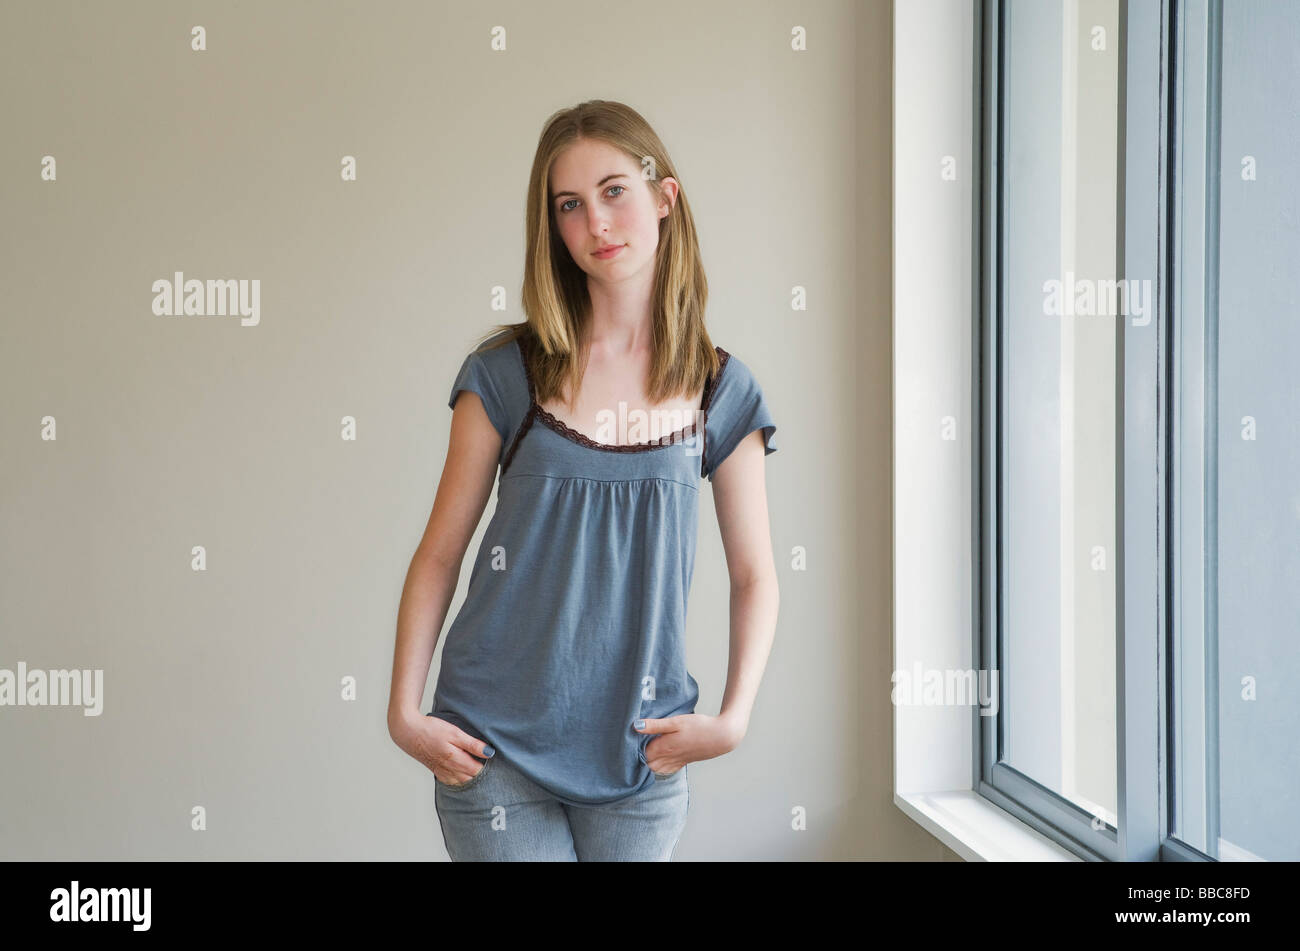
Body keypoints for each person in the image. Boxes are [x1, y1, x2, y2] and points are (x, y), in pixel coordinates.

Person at [386, 100, 780, 861]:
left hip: (642, 755)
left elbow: (756, 574)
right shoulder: (505, 374)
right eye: (569, 205)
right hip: (494, 748)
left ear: (665, 198)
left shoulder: (720, 392)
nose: (595, 222)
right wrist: (404, 712)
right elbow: (439, 553)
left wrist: (733, 718)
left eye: (613, 191)